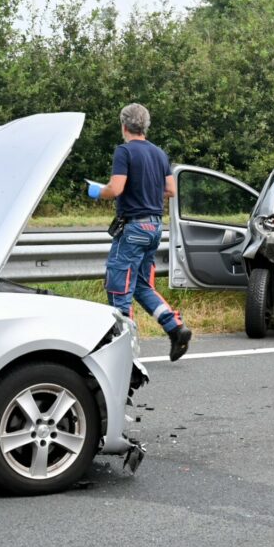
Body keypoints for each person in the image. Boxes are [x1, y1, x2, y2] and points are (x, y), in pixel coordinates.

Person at [87, 103, 192, 362]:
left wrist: (95, 191)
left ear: (124, 126)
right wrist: (146, 190)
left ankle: (124, 353)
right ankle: (175, 328)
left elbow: (116, 188)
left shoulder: (124, 151)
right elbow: (170, 189)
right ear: (145, 126)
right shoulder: (158, 153)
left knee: (119, 288)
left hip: (133, 228)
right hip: (154, 226)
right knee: (143, 285)